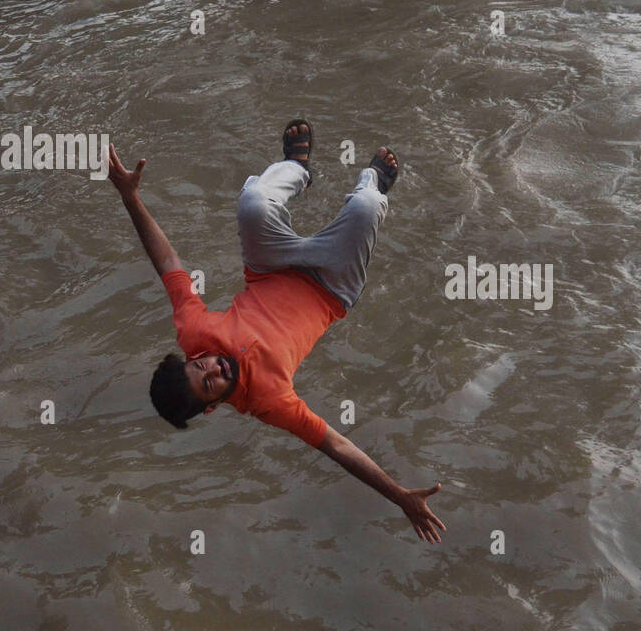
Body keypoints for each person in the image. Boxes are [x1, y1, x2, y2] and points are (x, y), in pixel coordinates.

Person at [107, 121, 446, 543]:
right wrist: (398, 496)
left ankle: (296, 168)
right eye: (210, 385)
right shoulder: (267, 401)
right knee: (363, 208)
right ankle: (374, 181)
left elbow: (168, 263)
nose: (214, 369)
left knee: (252, 203)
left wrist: (130, 197)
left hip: (271, 267)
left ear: (193, 358)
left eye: (201, 367)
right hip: (333, 286)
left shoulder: (194, 332)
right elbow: (337, 446)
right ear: (213, 406)